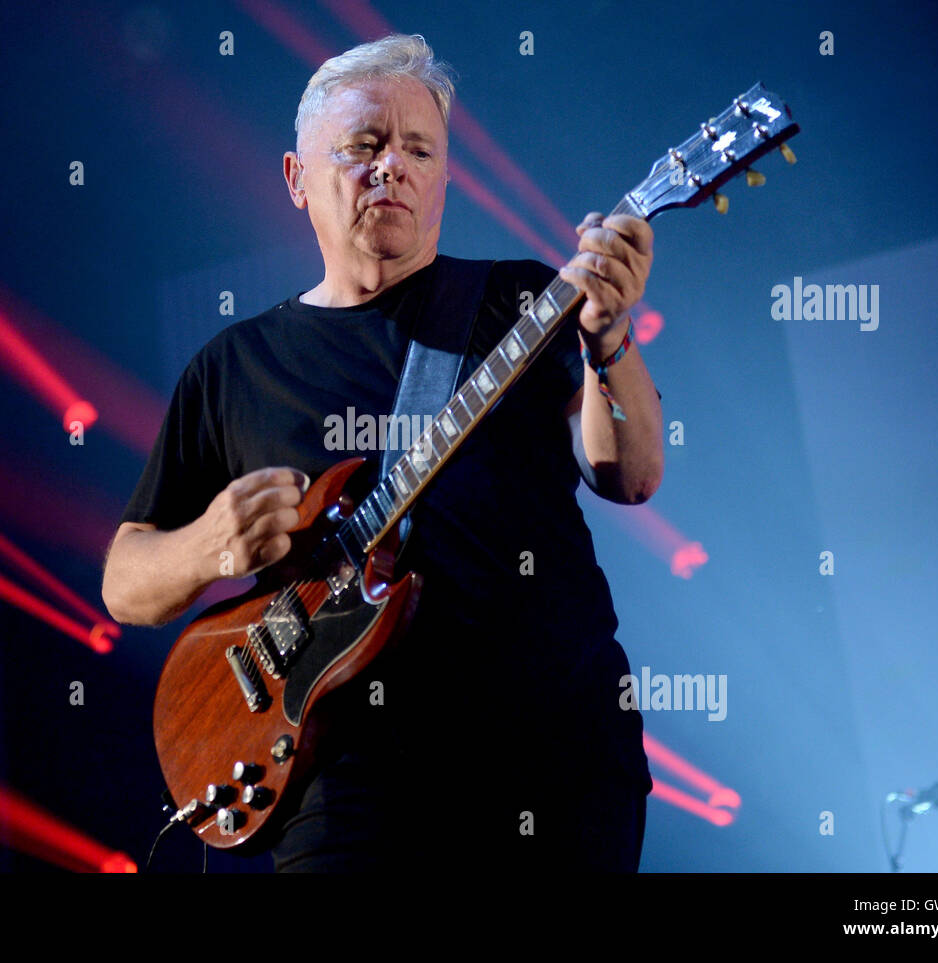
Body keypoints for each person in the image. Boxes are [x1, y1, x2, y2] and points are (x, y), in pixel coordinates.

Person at [102, 33, 663, 873]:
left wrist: (609, 337)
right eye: (363, 146)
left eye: (418, 149)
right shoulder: (233, 368)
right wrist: (211, 544)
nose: (390, 167)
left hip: (554, 757)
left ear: (442, 176)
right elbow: (124, 581)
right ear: (297, 179)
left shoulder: (521, 298)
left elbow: (630, 474)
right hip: (346, 780)